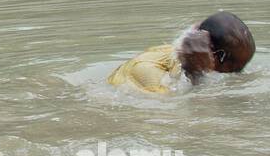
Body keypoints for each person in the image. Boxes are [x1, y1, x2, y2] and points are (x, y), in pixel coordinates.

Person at [107, 11, 255, 94]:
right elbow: (179, 115)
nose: (238, 74)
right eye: (234, 69)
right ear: (211, 54)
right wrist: (195, 74)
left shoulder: (180, 58)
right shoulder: (146, 72)